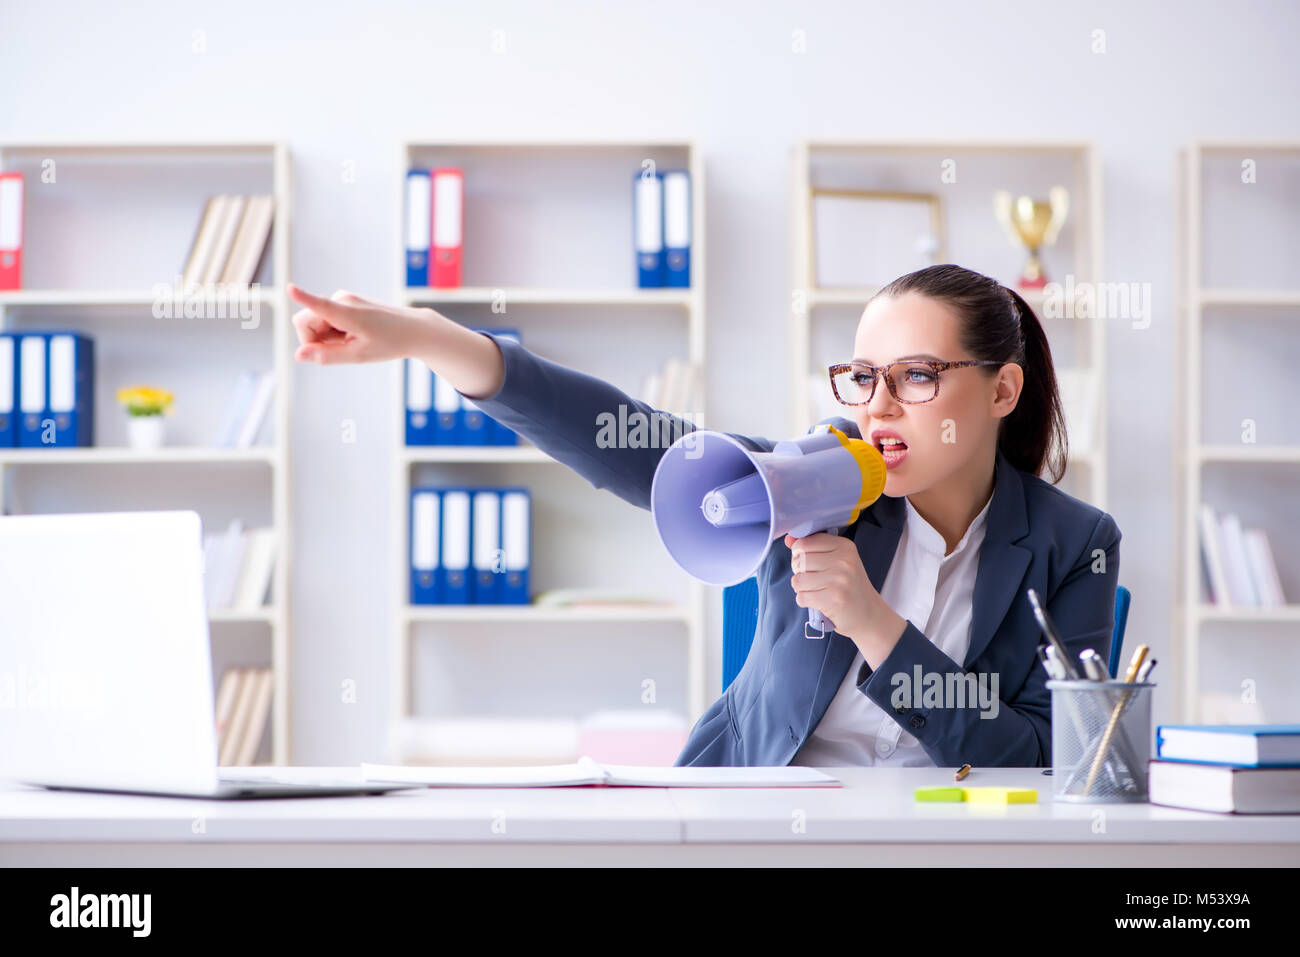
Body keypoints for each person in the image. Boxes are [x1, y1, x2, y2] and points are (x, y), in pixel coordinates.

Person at [287, 263, 1120, 768]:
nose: (878, 408)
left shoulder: (1074, 543)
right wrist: (433, 339)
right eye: (863, 377)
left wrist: (874, 623)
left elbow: (1049, 756)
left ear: (1002, 389)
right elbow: (631, 443)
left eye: (915, 377)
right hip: (762, 821)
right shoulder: (820, 476)